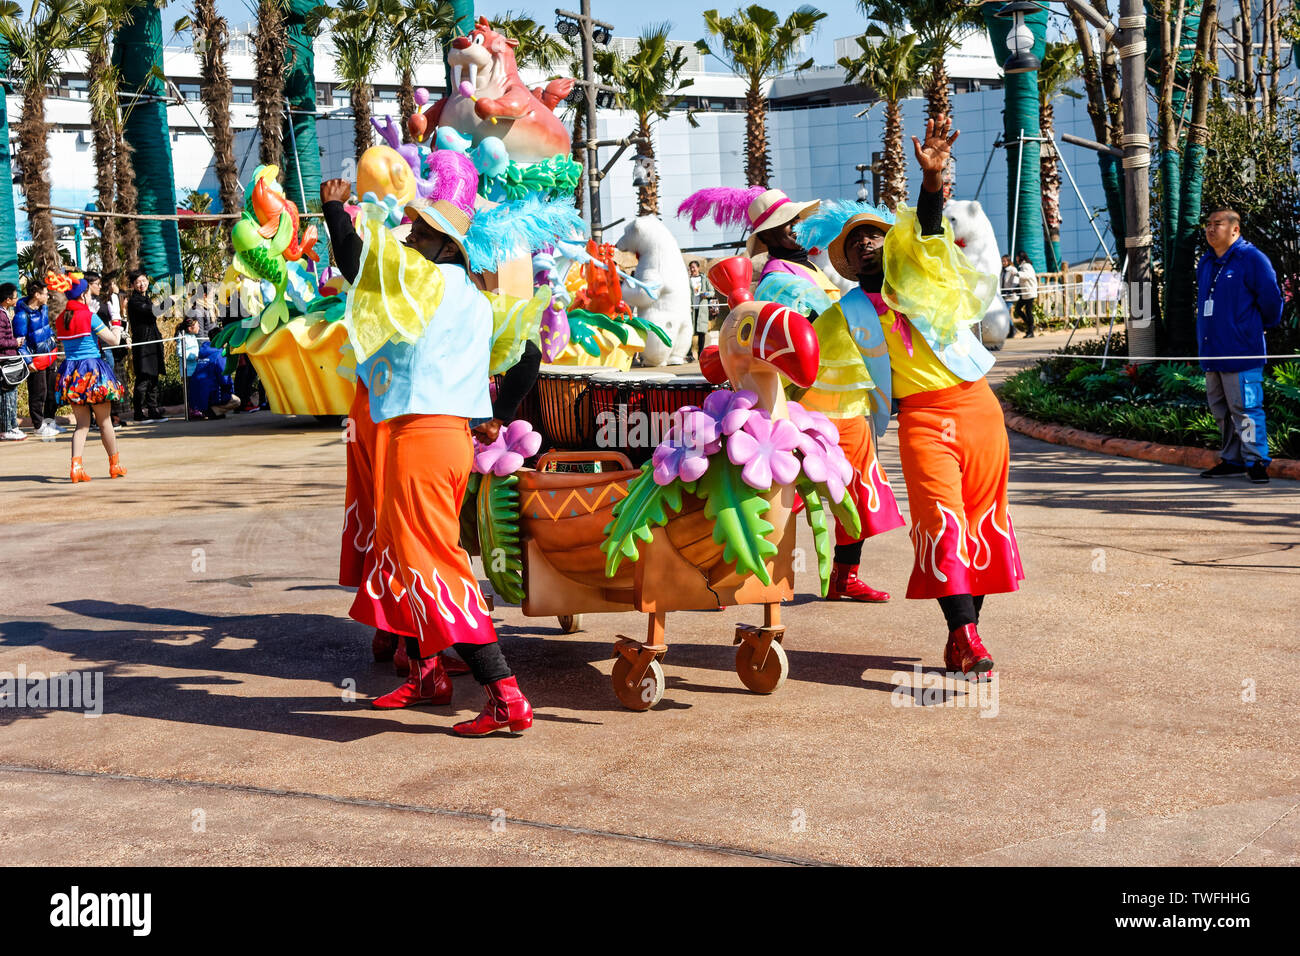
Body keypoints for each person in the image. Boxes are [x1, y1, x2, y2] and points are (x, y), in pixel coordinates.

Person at [321, 154, 534, 738]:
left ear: (440, 240)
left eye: (417, 230)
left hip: (420, 439)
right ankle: (427, 673)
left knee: (435, 565)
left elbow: (357, 263)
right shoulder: (471, 293)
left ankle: (504, 695)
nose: (408, 236)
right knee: (400, 558)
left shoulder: (425, 279)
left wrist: (336, 209)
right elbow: (530, 354)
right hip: (440, 439)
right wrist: (499, 414)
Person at [825, 114, 1023, 677]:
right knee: (942, 521)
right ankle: (963, 634)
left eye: (875, 235)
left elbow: (930, 225)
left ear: (892, 246)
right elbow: (807, 363)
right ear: (848, 260)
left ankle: (966, 635)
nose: (867, 243)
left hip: (979, 407)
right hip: (921, 421)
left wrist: (932, 180)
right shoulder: (846, 314)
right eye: (856, 241)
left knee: (983, 521)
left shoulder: (917, 270)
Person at [1196, 206, 1284, 485]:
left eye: (1217, 223)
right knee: (1221, 411)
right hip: (1212, 352)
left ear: (1235, 229)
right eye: (1208, 224)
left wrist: (1252, 329)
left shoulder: (1252, 259)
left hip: (1241, 351)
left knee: (1245, 409)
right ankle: (1231, 459)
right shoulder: (1206, 263)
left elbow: (1272, 302)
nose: (1210, 229)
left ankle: (1255, 460)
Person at [50, 271, 127, 480]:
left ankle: (76, 467)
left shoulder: (60, 319)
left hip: (72, 373)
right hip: (93, 371)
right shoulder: (90, 317)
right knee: (105, 422)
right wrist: (117, 320)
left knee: (81, 424)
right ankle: (115, 465)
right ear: (84, 295)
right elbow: (114, 340)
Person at [14, 280, 63, 438]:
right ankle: (38, 425)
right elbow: (20, 342)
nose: (48, 295)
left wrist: (53, 343)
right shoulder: (21, 316)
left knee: (50, 392)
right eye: (45, 292)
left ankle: (49, 421)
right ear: (36, 295)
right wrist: (29, 361)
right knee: (38, 393)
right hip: (36, 360)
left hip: (50, 355)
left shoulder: (44, 308)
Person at [126, 270, 165, 422]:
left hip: (153, 341)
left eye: (143, 281)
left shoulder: (146, 298)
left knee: (153, 377)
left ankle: (153, 410)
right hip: (143, 343)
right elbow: (153, 312)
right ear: (133, 285)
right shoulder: (135, 301)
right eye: (138, 282)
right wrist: (170, 301)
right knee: (143, 378)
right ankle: (138, 413)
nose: (141, 284)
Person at [0, 283, 25, 441]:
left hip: (9, 361)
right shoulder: (0, 315)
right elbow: (1, 340)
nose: (17, 299)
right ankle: (5, 428)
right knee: (6, 397)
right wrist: (15, 343)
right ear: (8, 299)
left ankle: (13, 425)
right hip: (4, 362)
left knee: (12, 394)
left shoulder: (5, 313)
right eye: (15, 297)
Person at [687, 260, 714, 361]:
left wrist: (706, 294)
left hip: (702, 308)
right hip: (691, 308)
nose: (692, 269)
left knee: (701, 332)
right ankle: (689, 354)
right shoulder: (687, 280)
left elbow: (712, 292)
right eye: (690, 268)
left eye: (694, 267)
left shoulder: (704, 279)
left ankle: (701, 354)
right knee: (689, 331)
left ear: (698, 268)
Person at [1014, 251, 1037, 338]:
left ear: (1020, 257)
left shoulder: (1027, 266)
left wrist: (1017, 274)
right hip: (1025, 293)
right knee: (1018, 309)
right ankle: (1030, 325)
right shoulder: (1022, 266)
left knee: (1028, 311)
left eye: (1017, 257)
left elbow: (1027, 275)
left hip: (1029, 292)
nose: (1016, 259)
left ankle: (1031, 331)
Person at [999, 254, 1020, 338]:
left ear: (1008, 261)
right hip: (1003, 294)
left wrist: (1012, 289)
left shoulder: (1012, 269)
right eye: (1002, 261)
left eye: (1004, 261)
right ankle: (1011, 329)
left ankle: (1012, 329)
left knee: (1005, 312)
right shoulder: (1002, 270)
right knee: (1005, 313)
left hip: (1010, 295)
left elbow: (1016, 280)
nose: (1003, 262)